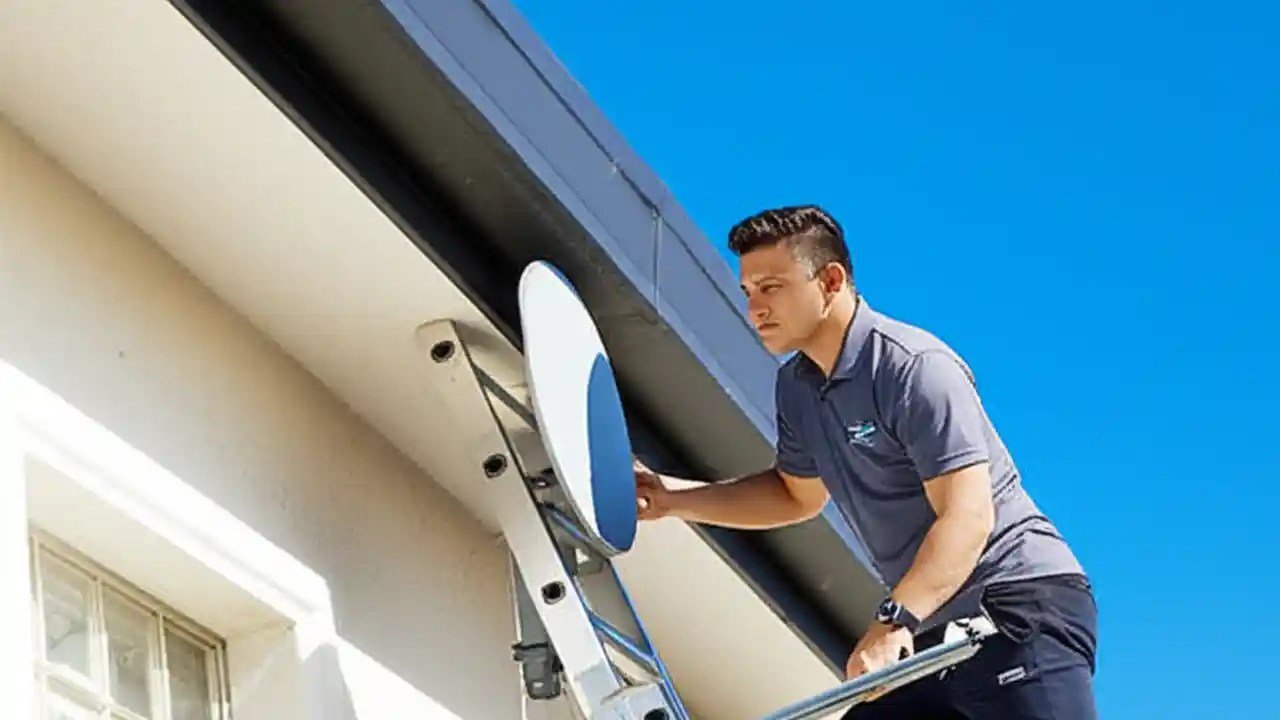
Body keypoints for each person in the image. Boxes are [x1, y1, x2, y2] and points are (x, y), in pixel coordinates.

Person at [633, 205, 1098, 718]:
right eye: (748, 292)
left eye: (771, 287)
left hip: (1016, 606)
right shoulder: (798, 388)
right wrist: (671, 499)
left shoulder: (914, 368)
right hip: (936, 628)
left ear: (830, 280)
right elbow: (795, 494)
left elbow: (968, 516)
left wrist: (893, 620)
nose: (755, 309)